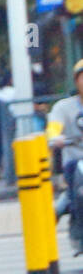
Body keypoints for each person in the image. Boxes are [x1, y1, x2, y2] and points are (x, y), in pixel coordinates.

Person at [48, 59, 83, 215]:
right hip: (75, 161)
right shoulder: (63, 107)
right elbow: (54, 127)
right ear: (76, 81)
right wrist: (56, 137)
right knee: (71, 195)